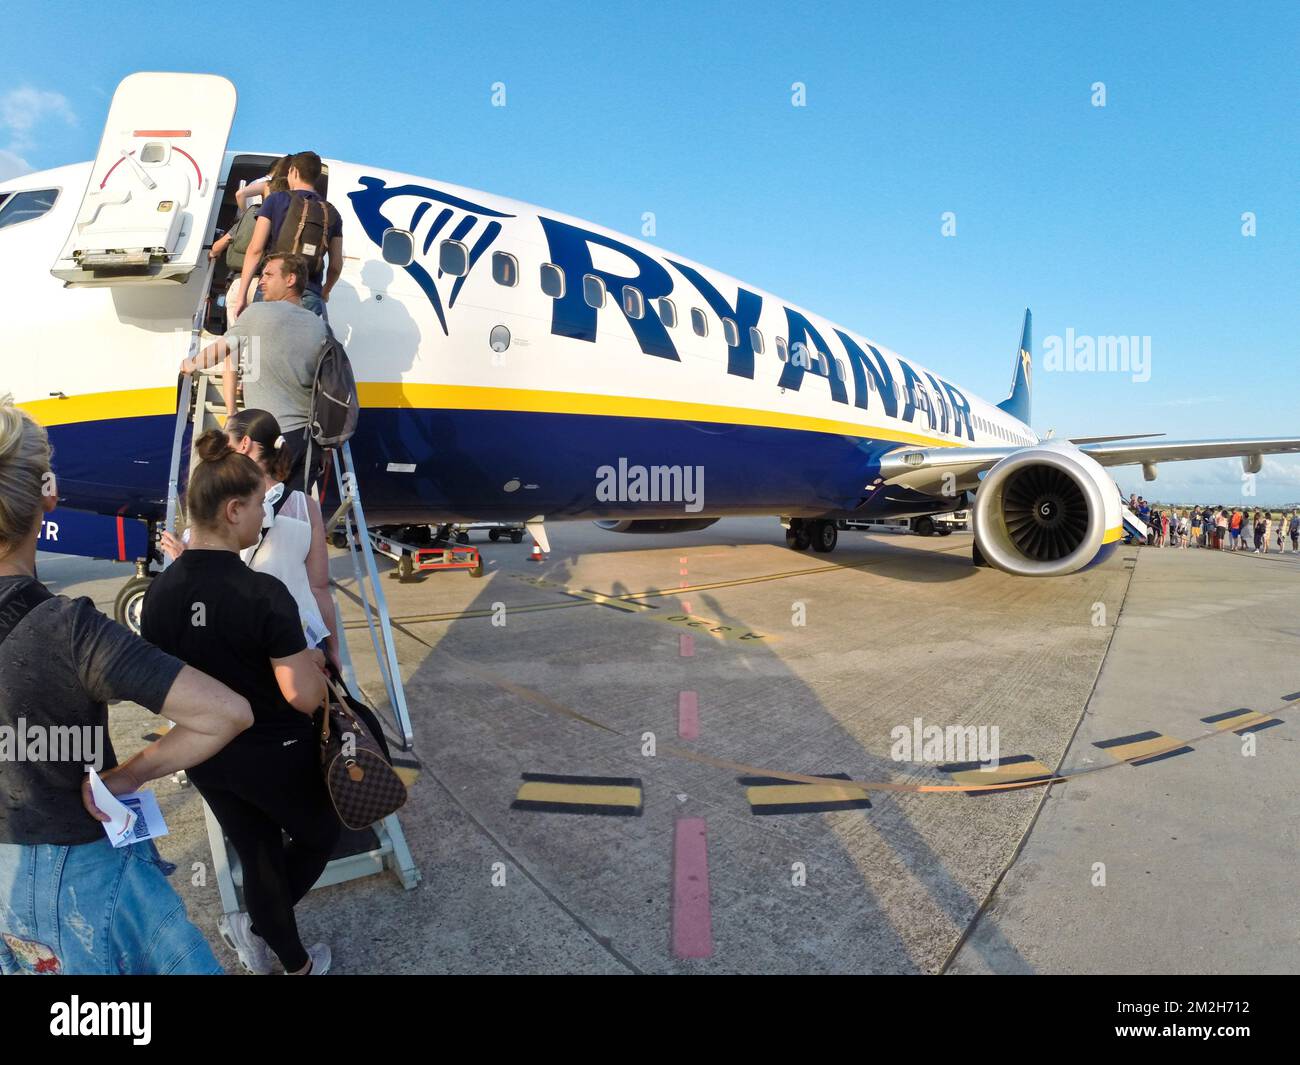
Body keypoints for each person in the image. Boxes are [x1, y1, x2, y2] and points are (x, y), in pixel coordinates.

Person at [0, 396, 253, 975]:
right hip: (77, 873)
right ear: (48, 496)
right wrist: (128, 775)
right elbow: (225, 713)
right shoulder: (69, 630)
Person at [140, 431, 336, 976]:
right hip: (274, 751)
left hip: (204, 753)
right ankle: (262, 926)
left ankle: (291, 959)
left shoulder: (159, 595)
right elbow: (299, 696)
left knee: (257, 851)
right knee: (318, 834)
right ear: (232, 511)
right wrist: (316, 675)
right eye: (256, 506)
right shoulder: (262, 593)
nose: (262, 519)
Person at [161, 409, 340, 672]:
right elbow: (319, 588)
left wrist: (184, 561)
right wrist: (333, 649)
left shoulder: (219, 505)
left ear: (244, 444)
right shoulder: (306, 507)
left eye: (225, 438)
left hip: (248, 647)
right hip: (304, 644)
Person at [184, 252, 326, 493]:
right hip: (308, 442)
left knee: (256, 517)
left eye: (269, 275)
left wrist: (191, 363)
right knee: (293, 517)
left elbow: (222, 349)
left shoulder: (257, 313)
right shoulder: (319, 324)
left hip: (270, 438)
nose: (261, 280)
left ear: (290, 279)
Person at [232, 151, 343, 320]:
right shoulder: (332, 212)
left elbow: (255, 249)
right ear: (316, 176)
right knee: (297, 345)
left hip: (272, 287)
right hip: (309, 292)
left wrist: (241, 296)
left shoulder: (275, 200)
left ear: (294, 171)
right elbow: (335, 265)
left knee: (261, 343)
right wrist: (324, 292)